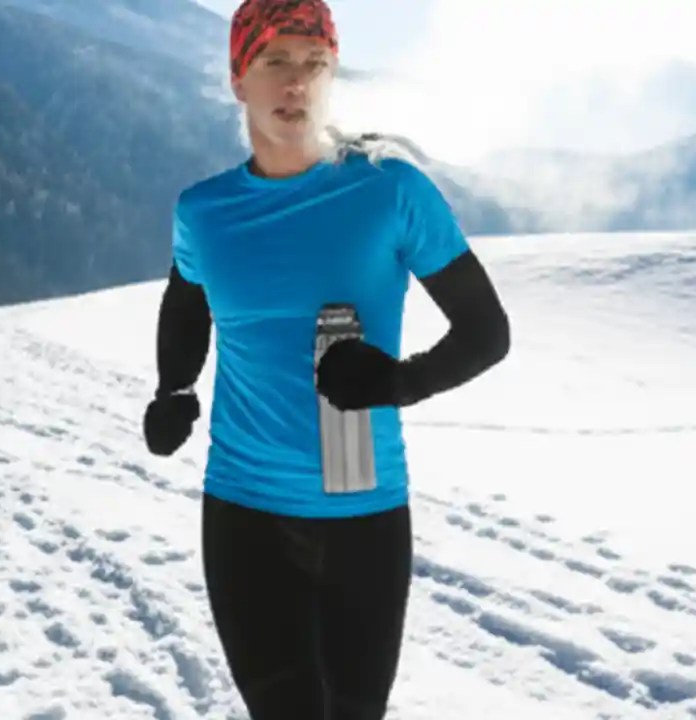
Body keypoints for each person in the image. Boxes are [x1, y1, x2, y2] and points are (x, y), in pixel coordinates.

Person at [141, 1, 510, 717]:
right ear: (237, 78)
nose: (296, 84)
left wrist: (401, 381)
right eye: (275, 61)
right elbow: (186, 298)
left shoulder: (390, 192)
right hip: (243, 515)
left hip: (365, 520)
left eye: (315, 65)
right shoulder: (205, 212)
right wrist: (172, 388)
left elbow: (486, 330)